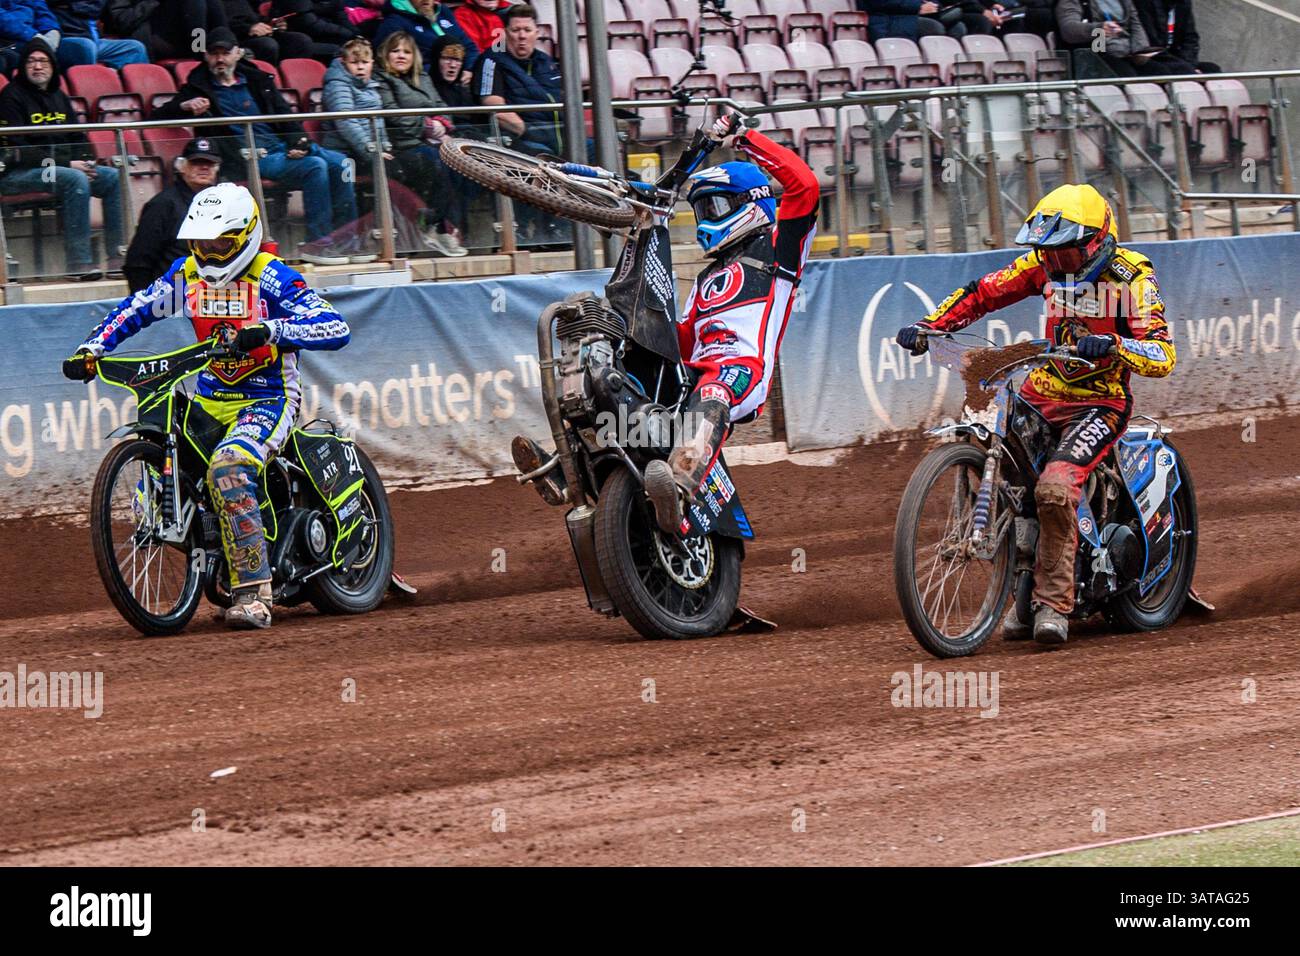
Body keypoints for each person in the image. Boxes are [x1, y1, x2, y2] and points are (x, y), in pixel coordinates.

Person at [895, 184, 1176, 644]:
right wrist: (931, 326)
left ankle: (1054, 603)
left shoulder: (1131, 279)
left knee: (1054, 486)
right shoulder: (1040, 266)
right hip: (1040, 390)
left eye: (1064, 253)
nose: (1053, 262)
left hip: (1099, 401)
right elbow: (983, 294)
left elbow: (1163, 354)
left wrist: (1115, 345)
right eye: (1047, 252)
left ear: (1095, 243)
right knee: (994, 461)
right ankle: (1017, 580)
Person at [62, 183, 351, 630]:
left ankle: (255, 594)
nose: (210, 253)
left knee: (228, 469)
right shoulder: (187, 274)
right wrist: (92, 348)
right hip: (210, 398)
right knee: (177, 457)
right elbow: (137, 307)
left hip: (269, 399)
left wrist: (272, 331)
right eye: (200, 243)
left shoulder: (272, 276)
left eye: (220, 243)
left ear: (245, 236)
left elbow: (334, 326)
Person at [643, 114, 820, 538]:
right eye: (702, 209)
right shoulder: (704, 279)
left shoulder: (778, 249)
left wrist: (744, 138)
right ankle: (578, 458)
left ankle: (681, 485)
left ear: (750, 203)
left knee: (714, 389)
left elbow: (805, 187)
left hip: (740, 371)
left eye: (716, 207)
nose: (707, 218)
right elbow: (682, 339)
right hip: (693, 374)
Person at [154, 26, 364, 265]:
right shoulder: (198, 85)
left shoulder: (257, 79)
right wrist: (185, 106)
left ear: (238, 53)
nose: (220, 59)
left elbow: (283, 113)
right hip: (250, 155)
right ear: (206, 56)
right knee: (315, 166)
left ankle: (348, 242)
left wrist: (300, 141)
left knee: (342, 163)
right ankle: (319, 244)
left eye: (225, 52)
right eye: (214, 53)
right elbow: (157, 115)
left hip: (281, 146)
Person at [0, 37, 122, 280]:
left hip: (60, 170)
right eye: (32, 61)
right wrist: (68, 165)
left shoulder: (59, 96)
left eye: (43, 61)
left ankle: (117, 255)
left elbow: (78, 136)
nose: (37, 66)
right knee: (74, 179)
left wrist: (87, 161)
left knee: (112, 177)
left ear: (53, 66)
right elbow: (18, 150)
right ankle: (79, 263)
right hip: (16, 174)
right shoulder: (10, 97)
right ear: (23, 65)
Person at [474, 5, 570, 244]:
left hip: (560, 136)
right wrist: (529, 131)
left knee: (593, 151)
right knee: (532, 159)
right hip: (519, 138)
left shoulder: (546, 62)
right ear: (506, 32)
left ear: (537, 32)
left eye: (527, 29)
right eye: (516, 30)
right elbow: (493, 106)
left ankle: (563, 226)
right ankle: (528, 230)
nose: (521, 35)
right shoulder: (492, 60)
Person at [374, 30, 466, 255]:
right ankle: (437, 228)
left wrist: (442, 124)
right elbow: (392, 114)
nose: (401, 55)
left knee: (462, 165)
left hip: (430, 142)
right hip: (401, 146)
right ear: (386, 55)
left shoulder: (423, 78)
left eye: (406, 51)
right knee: (440, 161)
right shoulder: (382, 78)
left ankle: (440, 226)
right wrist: (427, 125)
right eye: (395, 51)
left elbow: (442, 107)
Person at [123, 137, 222, 292]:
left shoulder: (226, 203)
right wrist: (144, 305)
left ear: (216, 169)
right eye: (196, 162)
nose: (204, 167)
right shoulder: (162, 205)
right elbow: (138, 262)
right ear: (182, 166)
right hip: (171, 298)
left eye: (209, 163)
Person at [104, 0, 230, 63]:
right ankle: (199, 52)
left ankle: (228, 49)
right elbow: (122, 21)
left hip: (185, 36)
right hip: (152, 39)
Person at [374, 0, 479, 73]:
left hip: (458, 78)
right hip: (428, 83)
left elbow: (470, 47)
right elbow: (392, 61)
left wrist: (468, 69)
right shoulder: (394, 22)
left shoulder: (443, 12)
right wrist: (440, 73)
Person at [1056, 0, 1151, 79]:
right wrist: (1099, 28)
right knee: (1130, 79)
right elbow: (1068, 30)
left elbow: (1136, 25)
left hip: (1130, 52)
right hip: (1098, 55)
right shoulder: (1072, 2)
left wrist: (1140, 51)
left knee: (1161, 72)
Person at [46, 1, 150, 69]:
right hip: (64, 39)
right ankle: (90, 94)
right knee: (86, 46)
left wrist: (70, 6)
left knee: (135, 48)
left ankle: (131, 96)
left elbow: (96, 8)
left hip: (94, 40)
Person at [221, 0, 332, 64]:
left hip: (258, 34)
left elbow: (252, 16)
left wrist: (272, 23)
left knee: (300, 41)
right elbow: (218, 25)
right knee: (268, 45)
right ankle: (267, 84)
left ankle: (294, 85)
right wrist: (247, 29)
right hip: (236, 38)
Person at [1133, 0, 1219, 75]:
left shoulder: (1183, 3)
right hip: (1150, 58)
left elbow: (1190, 38)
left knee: (1211, 69)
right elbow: (1152, 43)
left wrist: (1190, 65)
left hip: (1174, 56)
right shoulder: (1145, 3)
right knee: (1173, 71)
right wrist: (1186, 68)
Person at [269, 0, 358, 61]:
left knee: (358, 45)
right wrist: (349, 35)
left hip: (322, 34)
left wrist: (358, 36)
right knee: (344, 50)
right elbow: (310, 24)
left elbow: (342, 18)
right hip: (294, 38)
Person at [0, 0, 64, 76]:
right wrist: (34, 36)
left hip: (34, 37)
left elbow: (43, 13)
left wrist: (52, 32)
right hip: (8, 39)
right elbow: (4, 21)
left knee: (74, 47)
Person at [859, 1, 945, 43]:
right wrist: (918, 7)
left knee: (955, 23)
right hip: (888, 21)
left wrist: (934, 6)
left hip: (912, 16)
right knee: (934, 27)